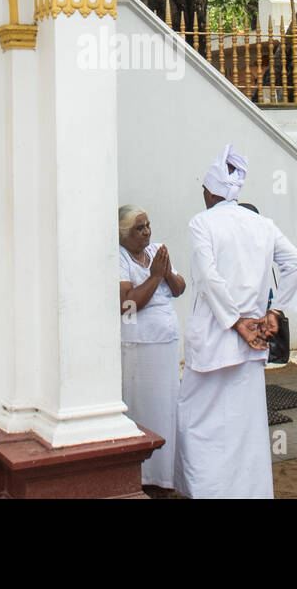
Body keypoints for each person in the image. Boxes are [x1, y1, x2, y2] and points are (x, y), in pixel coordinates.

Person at [175, 145, 297, 498]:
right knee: (245, 425)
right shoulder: (262, 224)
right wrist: (275, 313)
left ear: (208, 191)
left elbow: (208, 276)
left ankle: (206, 491)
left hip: (217, 339)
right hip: (253, 342)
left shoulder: (202, 222)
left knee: (200, 422)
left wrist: (234, 321)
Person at [117, 205, 185, 489]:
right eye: (139, 228)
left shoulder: (156, 250)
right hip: (139, 347)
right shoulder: (118, 257)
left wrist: (167, 273)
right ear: (123, 234)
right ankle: (145, 477)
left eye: (148, 225)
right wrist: (155, 276)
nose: (147, 232)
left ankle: (166, 475)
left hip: (166, 341)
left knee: (167, 406)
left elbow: (180, 288)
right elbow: (126, 305)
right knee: (144, 408)